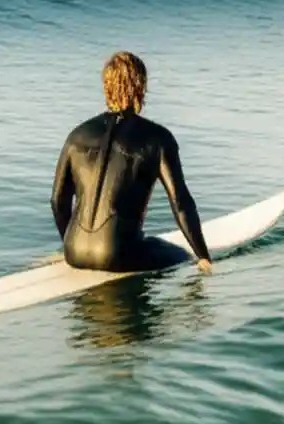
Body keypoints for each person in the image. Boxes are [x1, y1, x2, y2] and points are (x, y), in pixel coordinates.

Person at [50, 51, 212, 274]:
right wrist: (203, 256)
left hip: (73, 252)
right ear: (140, 86)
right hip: (119, 255)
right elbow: (181, 203)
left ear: (106, 86)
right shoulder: (158, 138)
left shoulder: (76, 136)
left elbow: (58, 201)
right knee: (183, 255)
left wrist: (70, 244)